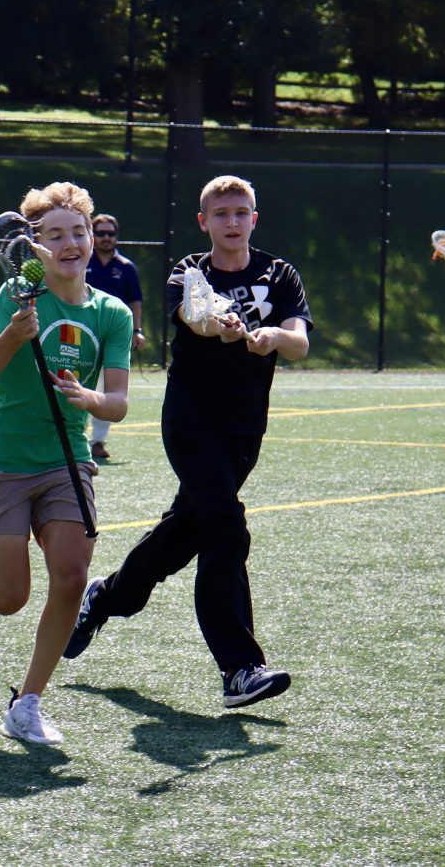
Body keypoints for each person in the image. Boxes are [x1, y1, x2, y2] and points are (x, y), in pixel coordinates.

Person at [62, 175, 312, 710]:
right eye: (220, 214)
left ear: (254, 218)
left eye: (240, 212)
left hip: (245, 428)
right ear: (204, 222)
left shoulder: (280, 273)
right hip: (192, 421)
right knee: (225, 524)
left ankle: (104, 598)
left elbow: (299, 342)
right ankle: (240, 668)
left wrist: (271, 337)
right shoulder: (188, 271)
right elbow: (193, 318)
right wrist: (218, 326)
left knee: (184, 533)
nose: (231, 222)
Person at [0, 182, 132, 746]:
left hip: (67, 458)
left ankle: (26, 703)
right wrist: (14, 334)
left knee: (73, 574)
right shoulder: (19, 295)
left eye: (78, 232)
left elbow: (119, 403)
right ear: (35, 247)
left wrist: (88, 400)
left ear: (92, 238)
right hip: (4, 459)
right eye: (54, 234)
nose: (70, 242)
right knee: (8, 598)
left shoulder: (111, 314)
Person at [84, 212, 145, 461]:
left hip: (113, 336)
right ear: (93, 236)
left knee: (106, 391)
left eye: (111, 233)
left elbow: (135, 301)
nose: (106, 238)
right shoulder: (80, 261)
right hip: (82, 332)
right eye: (101, 233)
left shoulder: (126, 267)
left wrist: (137, 330)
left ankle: (97, 442)